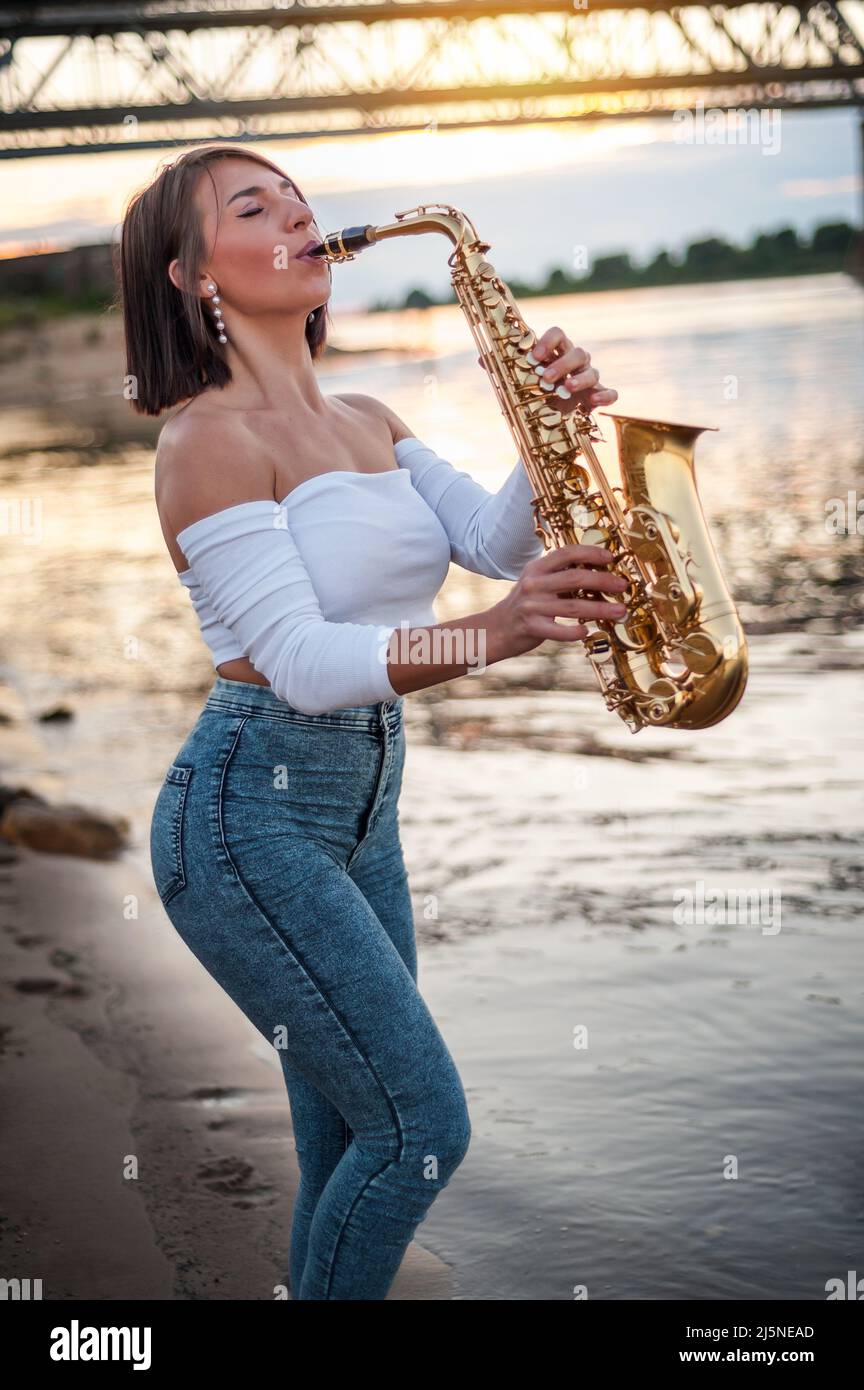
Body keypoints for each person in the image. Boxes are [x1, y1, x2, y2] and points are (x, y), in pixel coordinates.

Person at [119, 143, 628, 1300]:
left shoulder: (366, 411)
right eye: (256, 206)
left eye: (299, 197)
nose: (300, 216)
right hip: (248, 821)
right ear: (192, 275)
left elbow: (497, 544)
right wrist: (490, 636)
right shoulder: (204, 444)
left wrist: (545, 422)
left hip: (360, 811)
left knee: (351, 1140)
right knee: (421, 1129)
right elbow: (300, 665)